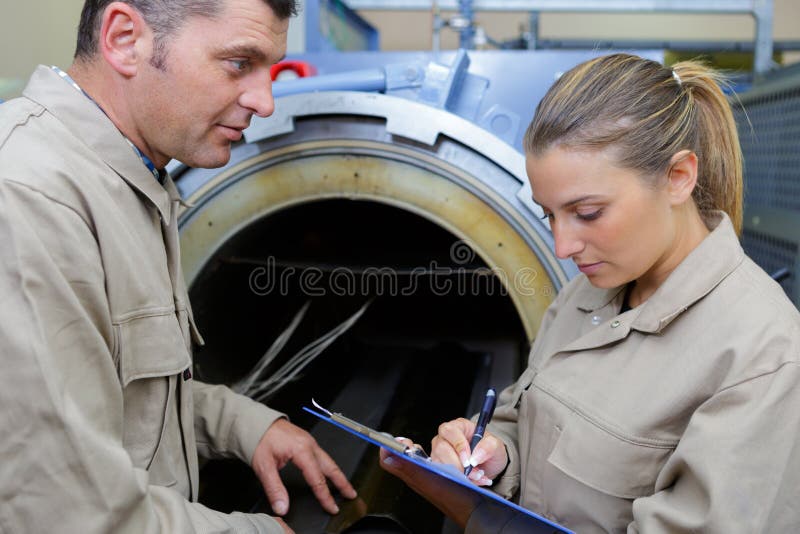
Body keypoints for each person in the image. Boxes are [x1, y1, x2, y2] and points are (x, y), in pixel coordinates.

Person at [381, 53, 800, 532]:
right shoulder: (586, 295)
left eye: (588, 212)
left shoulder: (762, 359)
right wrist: (491, 454)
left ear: (678, 177)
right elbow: (525, 415)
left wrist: (470, 512)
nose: (563, 246)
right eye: (549, 215)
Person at [0, 1, 357, 532]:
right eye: (240, 63)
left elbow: (116, 396)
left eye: (272, 70)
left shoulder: (131, 175)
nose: (264, 101)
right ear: (124, 39)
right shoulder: (31, 198)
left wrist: (241, 424)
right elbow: (66, 511)